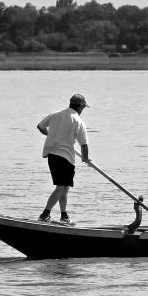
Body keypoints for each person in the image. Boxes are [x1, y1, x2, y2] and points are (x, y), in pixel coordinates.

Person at [37, 93, 90, 225]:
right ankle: (45, 214)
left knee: (64, 187)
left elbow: (40, 127)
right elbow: (84, 145)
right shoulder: (78, 121)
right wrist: (86, 159)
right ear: (80, 107)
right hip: (65, 157)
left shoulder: (55, 115)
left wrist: (52, 135)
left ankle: (64, 215)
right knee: (61, 187)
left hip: (53, 155)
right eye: (83, 108)